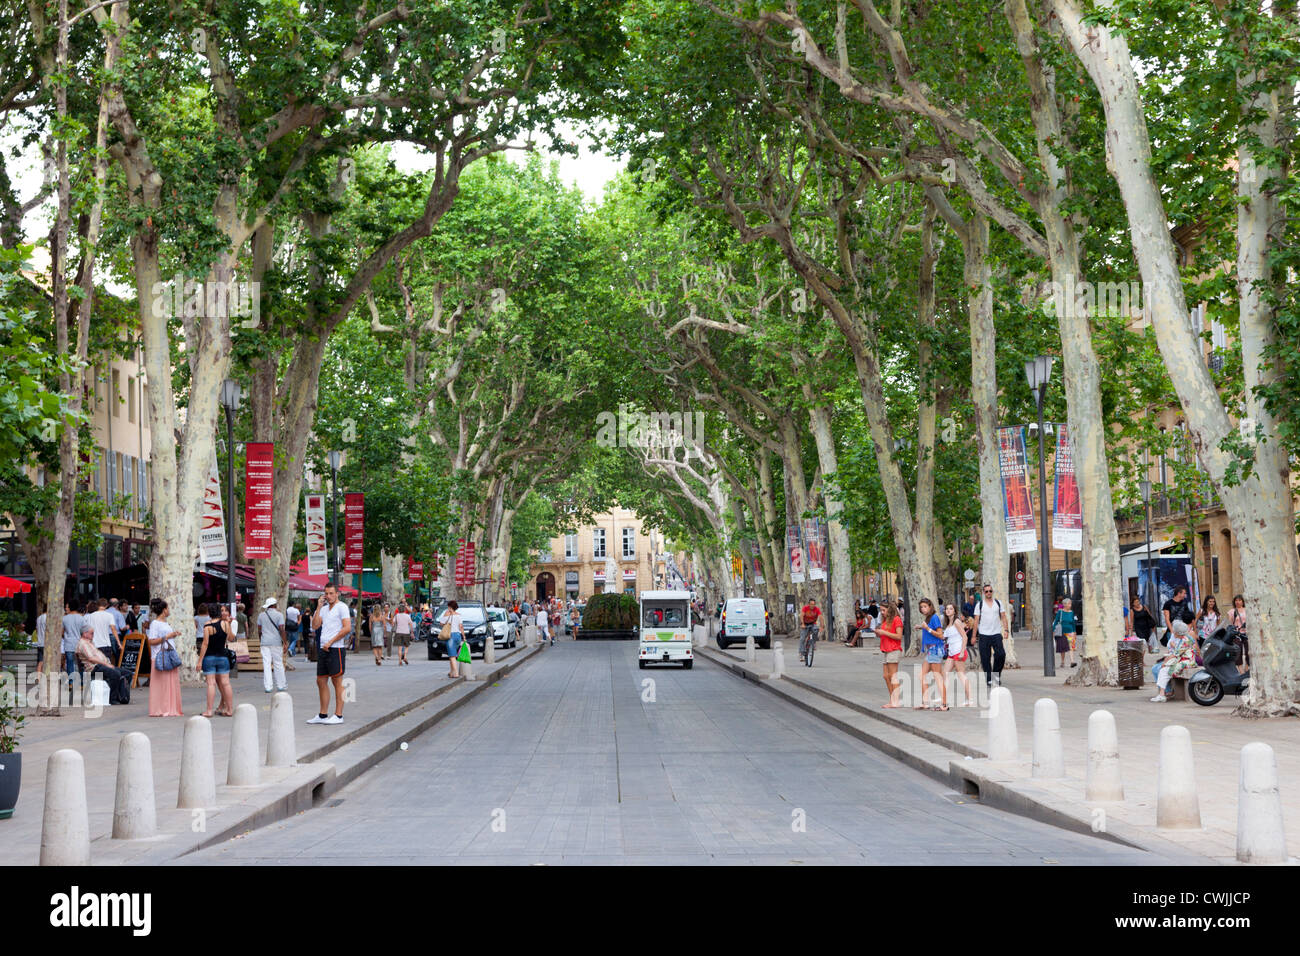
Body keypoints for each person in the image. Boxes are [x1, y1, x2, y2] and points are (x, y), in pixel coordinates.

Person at [310, 584, 351, 724]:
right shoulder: (324, 609)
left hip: (336, 648)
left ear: (337, 593)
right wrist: (318, 607)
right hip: (323, 647)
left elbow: (347, 628)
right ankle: (322, 715)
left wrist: (332, 641)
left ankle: (339, 715)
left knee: (337, 681)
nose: (329, 596)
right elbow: (315, 626)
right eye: (326, 593)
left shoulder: (342, 607)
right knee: (320, 680)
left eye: (331, 593)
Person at [75, 623, 130, 704]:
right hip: (94, 668)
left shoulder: (90, 642)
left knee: (127, 673)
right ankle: (112, 698)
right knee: (116, 674)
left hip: (101, 665)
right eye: (91, 633)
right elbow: (91, 658)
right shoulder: (83, 644)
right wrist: (106, 664)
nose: (93, 635)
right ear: (84, 634)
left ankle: (121, 695)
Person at [146, 598, 183, 717]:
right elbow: (151, 641)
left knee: (169, 683)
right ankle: (161, 708)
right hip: (159, 656)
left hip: (169, 654)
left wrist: (172, 636)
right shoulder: (155, 624)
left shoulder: (165, 623)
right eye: (167, 608)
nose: (169, 610)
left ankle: (170, 707)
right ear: (163, 610)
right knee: (161, 684)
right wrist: (168, 636)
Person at [197, 603, 234, 717]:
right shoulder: (225, 624)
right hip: (223, 657)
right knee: (226, 683)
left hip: (209, 658)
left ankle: (209, 711)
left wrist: (200, 661)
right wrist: (229, 624)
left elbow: (205, 644)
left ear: (209, 613)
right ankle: (229, 710)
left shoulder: (207, 625)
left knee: (211, 684)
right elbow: (231, 638)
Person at [1151, 620, 1199, 703]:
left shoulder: (1185, 640)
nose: (1173, 632)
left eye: (1175, 631)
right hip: (1182, 660)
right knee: (1164, 669)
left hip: (1187, 661)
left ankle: (1162, 694)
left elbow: (1175, 654)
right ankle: (1162, 694)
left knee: (1165, 670)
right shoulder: (1185, 638)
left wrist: (1165, 663)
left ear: (1178, 633)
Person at [972, 583, 1008, 689]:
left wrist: (1006, 630)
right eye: (986, 591)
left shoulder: (998, 603)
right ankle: (989, 678)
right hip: (983, 635)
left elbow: (1004, 617)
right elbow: (976, 621)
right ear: (983, 593)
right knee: (985, 658)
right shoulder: (980, 605)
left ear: (992, 592)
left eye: (990, 591)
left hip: (996, 634)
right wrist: (974, 636)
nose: (988, 593)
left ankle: (996, 676)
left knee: (1001, 654)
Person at [915, 598, 948, 710]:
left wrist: (927, 628)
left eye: (925, 606)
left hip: (935, 650)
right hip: (930, 651)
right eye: (921, 607)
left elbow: (940, 634)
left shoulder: (934, 617)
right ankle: (925, 702)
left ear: (930, 606)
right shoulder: (928, 618)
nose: (923, 609)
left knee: (937, 677)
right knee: (922, 676)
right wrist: (921, 627)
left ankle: (944, 704)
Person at [942, 604, 974, 706]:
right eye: (947, 609)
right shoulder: (948, 623)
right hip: (951, 652)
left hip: (958, 651)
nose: (948, 610)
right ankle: (943, 698)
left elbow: (965, 637)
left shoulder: (956, 622)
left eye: (951, 609)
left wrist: (961, 652)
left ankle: (970, 699)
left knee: (961, 675)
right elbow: (943, 637)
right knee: (945, 673)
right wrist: (926, 629)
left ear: (955, 611)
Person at [877, 600, 904, 708]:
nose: (882, 612)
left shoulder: (896, 620)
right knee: (886, 676)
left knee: (893, 676)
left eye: (883, 610)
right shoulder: (885, 620)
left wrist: (884, 632)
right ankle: (892, 699)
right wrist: (879, 633)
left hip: (894, 649)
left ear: (890, 609)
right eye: (881, 610)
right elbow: (886, 634)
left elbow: (898, 636)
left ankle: (896, 701)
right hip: (885, 649)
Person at [258, 597, 288, 693]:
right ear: (275, 605)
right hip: (276, 642)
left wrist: (261, 640)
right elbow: (282, 629)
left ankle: (268, 687)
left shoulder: (261, 615)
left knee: (266, 664)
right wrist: (285, 642)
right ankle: (281, 685)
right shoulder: (279, 615)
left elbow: (259, 630)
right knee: (278, 663)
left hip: (264, 642)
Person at [61, 602, 85, 698]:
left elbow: (61, 632)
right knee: (81, 664)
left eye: (67, 607)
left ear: (70, 607)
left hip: (68, 644)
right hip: (79, 643)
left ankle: (71, 682)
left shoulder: (64, 618)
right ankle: (82, 682)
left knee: (70, 664)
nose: (66, 608)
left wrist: (66, 637)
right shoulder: (81, 618)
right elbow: (84, 631)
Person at [86, 598, 120, 664]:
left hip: (94, 644)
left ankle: (99, 675)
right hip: (106, 644)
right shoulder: (109, 615)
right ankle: (104, 674)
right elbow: (113, 629)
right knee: (106, 664)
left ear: (97, 605)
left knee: (97, 666)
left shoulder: (90, 616)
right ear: (106, 605)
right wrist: (118, 642)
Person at [1052, 597, 1078, 669]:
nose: (1070, 605)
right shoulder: (1060, 612)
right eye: (1069, 604)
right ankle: (1062, 662)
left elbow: (1073, 623)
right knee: (1063, 648)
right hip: (1062, 632)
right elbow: (1056, 621)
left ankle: (1072, 661)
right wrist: (1053, 630)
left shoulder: (1071, 612)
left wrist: (1074, 631)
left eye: (1070, 603)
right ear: (1065, 604)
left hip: (1070, 632)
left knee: (1071, 647)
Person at [1228, 594, 1249, 672]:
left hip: (1247, 633)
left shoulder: (1247, 610)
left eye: (1240, 600)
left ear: (1243, 602)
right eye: (1236, 600)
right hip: (1237, 634)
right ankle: (1241, 671)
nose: (1238, 602)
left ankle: (1247, 668)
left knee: (1248, 651)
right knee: (1238, 652)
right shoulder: (1231, 611)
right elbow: (1230, 623)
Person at [446, 600, 466, 678]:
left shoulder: (448, 615)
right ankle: (451, 672)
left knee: (452, 656)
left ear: (450, 607)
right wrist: (464, 636)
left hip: (450, 636)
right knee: (453, 654)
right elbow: (461, 626)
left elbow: (441, 623)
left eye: (448, 607)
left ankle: (456, 673)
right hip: (458, 636)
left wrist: (446, 614)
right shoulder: (459, 615)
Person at [285, 601, 301, 666]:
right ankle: (290, 649)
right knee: (295, 639)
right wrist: (298, 623)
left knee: (290, 639)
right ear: (293, 604)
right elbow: (299, 617)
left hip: (288, 625)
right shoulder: (296, 610)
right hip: (294, 625)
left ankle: (293, 653)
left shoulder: (287, 610)